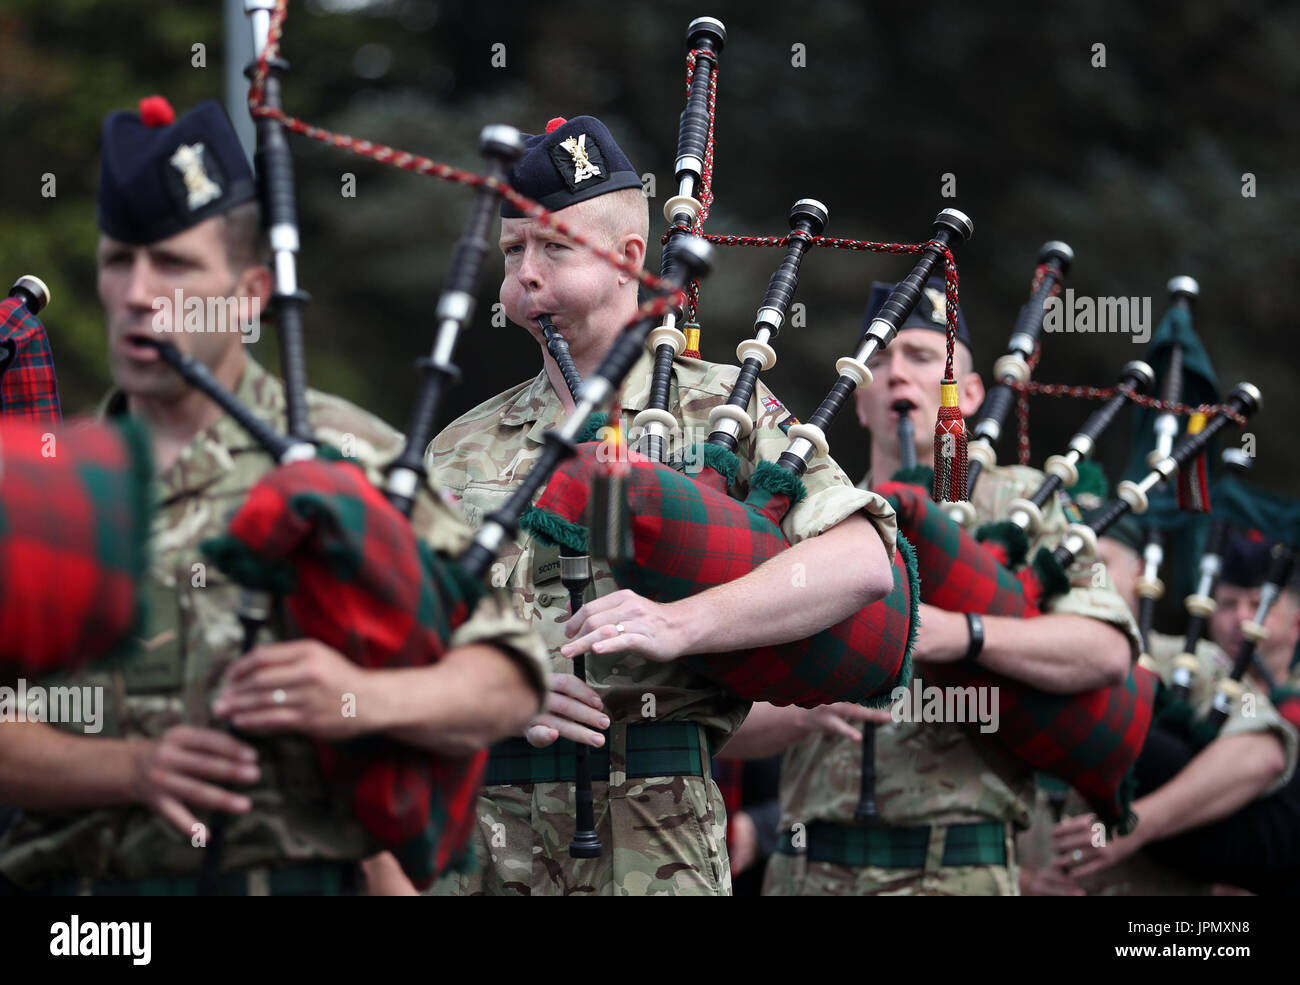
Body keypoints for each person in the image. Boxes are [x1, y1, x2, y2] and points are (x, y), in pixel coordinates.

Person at [0, 96, 549, 896]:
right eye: (121, 260)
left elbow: (507, 675)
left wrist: (360, 697)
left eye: (177, 265)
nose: (140, 293)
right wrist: (128, 766)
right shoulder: (44, 480)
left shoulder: (350, 458)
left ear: (252, 290)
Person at [425, 115, 899, 896]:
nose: (527, 274)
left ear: (627, 259)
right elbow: (399, 624)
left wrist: (684, 622)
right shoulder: (460, 445)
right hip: (480, 842)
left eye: (554, 246)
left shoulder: (722, 410)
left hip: (653, 835)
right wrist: (485, 687)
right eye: (514, 251)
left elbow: (860, 561)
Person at [728, 281, 1139, 895]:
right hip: (806, 869)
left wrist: (966, 634)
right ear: (859, 401)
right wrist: (808, 708)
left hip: (954, 868)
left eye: (922, 357)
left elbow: (1105, 649)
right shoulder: (805, 512)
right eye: (881, 359)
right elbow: (725, 720)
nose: (897, 375)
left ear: (968, 394)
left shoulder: (1024, 501)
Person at [1048, 526, 1298, 894]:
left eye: (1099, 563)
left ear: (1138, 576)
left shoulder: (1189, 662)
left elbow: (1263, 756)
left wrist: (1134, 825)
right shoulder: (1012, 676)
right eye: (1067, 563)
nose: (1082, 576)